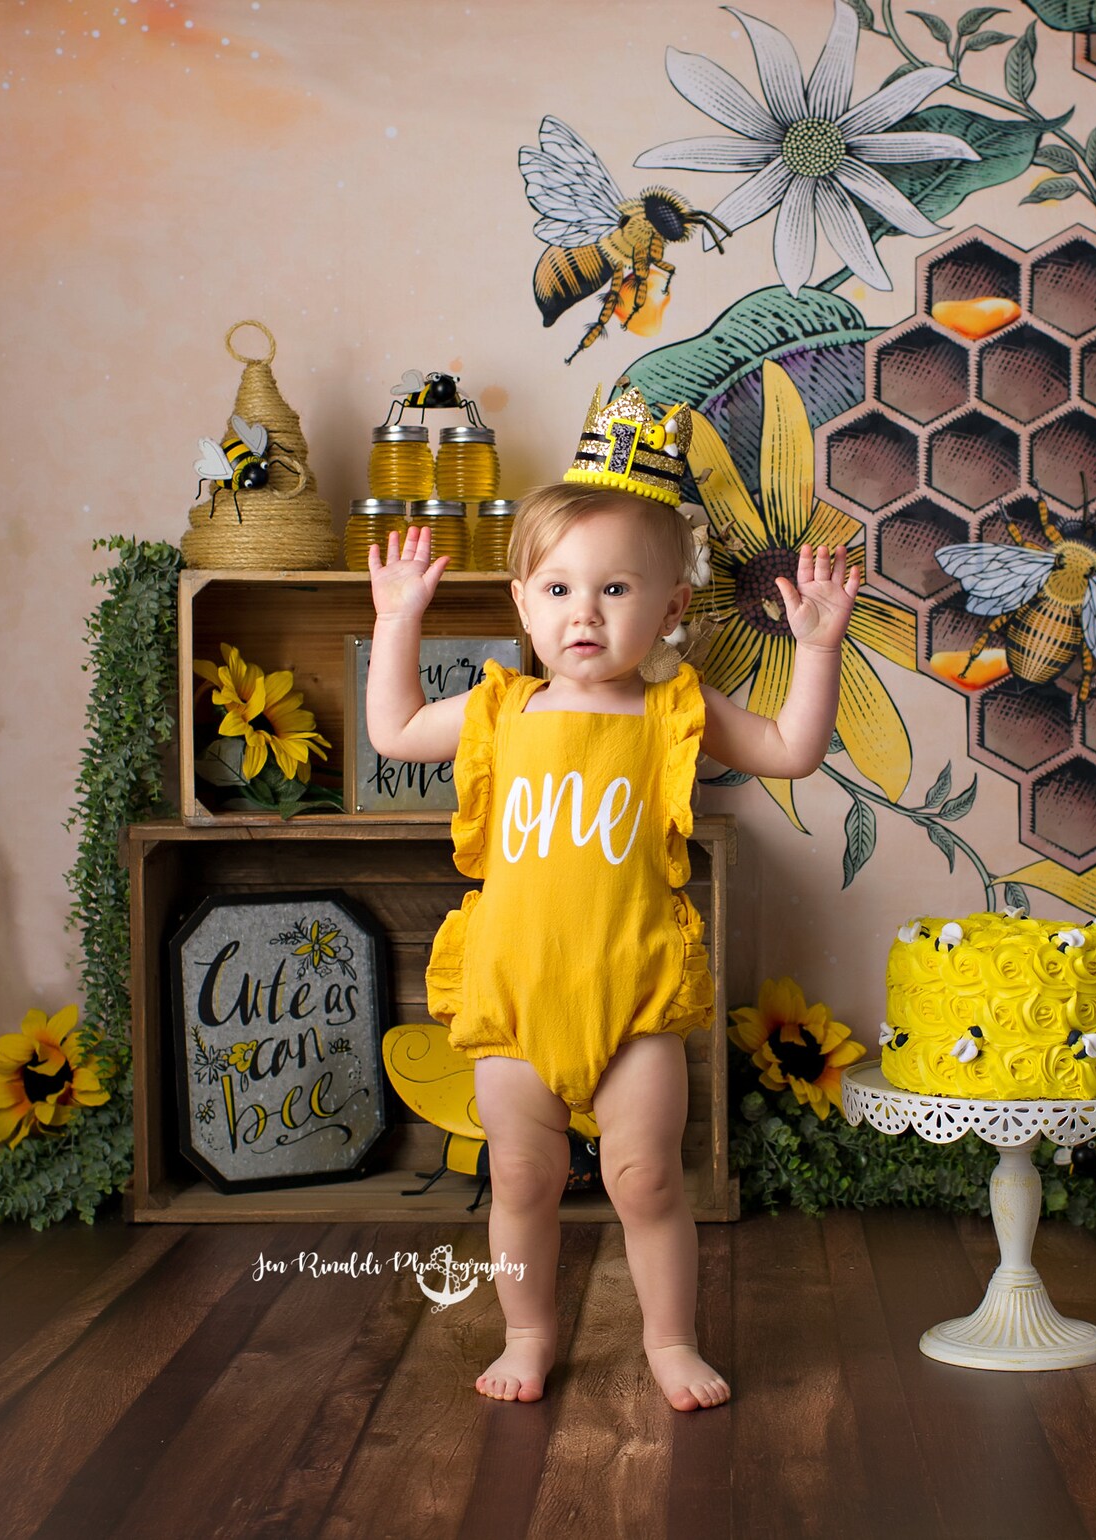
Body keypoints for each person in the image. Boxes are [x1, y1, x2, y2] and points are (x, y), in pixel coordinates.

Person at [365, 464, 859, 1412]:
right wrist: (398, 620)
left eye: (616, 589)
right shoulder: (500, 709)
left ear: (670, 607)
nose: (583, 613)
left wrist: (818, 649)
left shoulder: (676, 711)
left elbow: (791, 751)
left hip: (632, 996)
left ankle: (670, 1340)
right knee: (521, 1176)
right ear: (522, 602)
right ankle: (527, 1333)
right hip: (516, 994)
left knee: (646, 1180)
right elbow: (393, 729)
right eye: (557, 590)